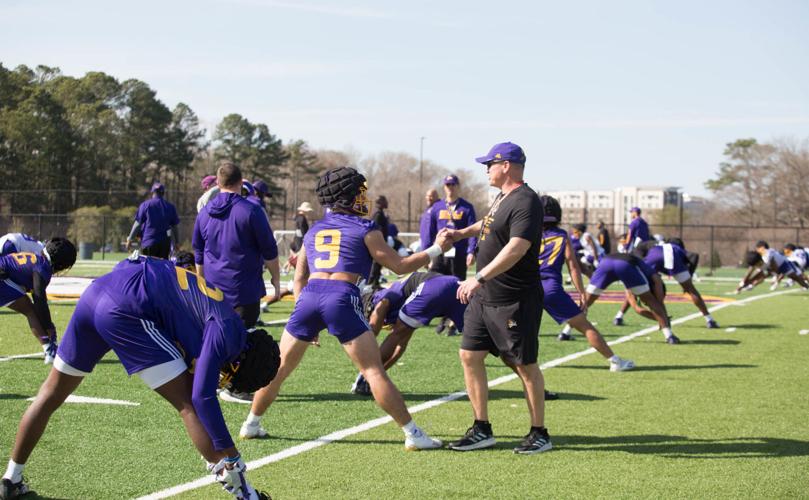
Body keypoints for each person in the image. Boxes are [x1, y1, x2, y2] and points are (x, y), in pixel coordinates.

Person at [0, 256, 279, 500]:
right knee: (188, 405)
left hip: (97, 292)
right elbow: (201, 396)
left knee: (50, 393)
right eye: (231, 375)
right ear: (243, 362)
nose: (224, 376)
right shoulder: (227, 332)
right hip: (126, 309)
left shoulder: (223, 315)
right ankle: (245, 494)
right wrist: (231, 453)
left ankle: (12, 478)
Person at [238, 166, 451, 451]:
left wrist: (305, 316)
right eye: (360, 192)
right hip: (341, 297)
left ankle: (251, 423)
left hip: (309, 297)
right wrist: (436, 248)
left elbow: (299, 277)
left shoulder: (314, 230)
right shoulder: (365, 228)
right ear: (347, 196)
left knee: (278, 368)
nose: (364, 198)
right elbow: (399, 266)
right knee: (373, 370)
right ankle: (413, 433)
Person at [441, 142, 551, 454]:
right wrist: (462, 233)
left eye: (490, 163)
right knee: (469, 355)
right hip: (485, 297)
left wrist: (479, 276)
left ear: (507, 165)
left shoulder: (527, 201)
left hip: (514, 298)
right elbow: (488, 225)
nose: (486, 169)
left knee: (524, 364)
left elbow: (517, 246)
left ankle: (539, 432)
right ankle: (481, 428)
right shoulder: (502, 197)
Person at [538, 197, 635, 371]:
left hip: (526, 287)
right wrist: (581, 292)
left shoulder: (524, 232)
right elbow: (573, 266)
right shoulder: (562, 235)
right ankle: (614, 361)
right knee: (585, 326)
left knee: (517, 330)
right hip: (550, 288)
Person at [193, 161, 281, 330]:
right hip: (244, 292)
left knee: (217, 343)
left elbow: (199, 252)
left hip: (213, 290)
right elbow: (269, 249)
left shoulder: (204, 213)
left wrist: (201, 282)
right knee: (244, 346)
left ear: (217, 184)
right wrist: (275, 278)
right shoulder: (252, 211)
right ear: (241, 182)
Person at [350, 271, 467, 395]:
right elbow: (400, 347)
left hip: (431, 286)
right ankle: (370, 378)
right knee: (476, 339)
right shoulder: (399, 300)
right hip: (453, 284)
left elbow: (377, 323)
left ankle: (366, 376)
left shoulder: (380, 299)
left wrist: (367, 371)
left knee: (396, 334)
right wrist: (378, 375)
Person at [0, 237, 76, 364]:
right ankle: (49, 349)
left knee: (29, 309)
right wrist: (49, 326)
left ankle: (48, 348)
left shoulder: (37, 260)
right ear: (61, 264)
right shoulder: (43, 268)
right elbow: (40, 300)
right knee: (30, 310)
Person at [583, 253, 681, 344]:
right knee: (650, 300)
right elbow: (657, 280)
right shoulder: (647, 274)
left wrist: (661, 318)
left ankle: (567, 331)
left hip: (605, 263)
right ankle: (669, 336)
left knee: (587, 300)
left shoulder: (635, 277)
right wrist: (662, 315)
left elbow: (638, 309)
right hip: (625, 265)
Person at [635, 240, 719, 328]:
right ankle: (709, 320)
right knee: (691, 290)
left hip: (653, 258)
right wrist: (689, 275)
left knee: (654, 291)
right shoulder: (676, 248)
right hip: (673, 259)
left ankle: (663, 320)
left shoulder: (654, 246)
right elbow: (694, 256)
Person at [431, 175, 477, 281]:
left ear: (458, 186)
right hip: (439, 252)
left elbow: (473, 231)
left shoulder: (467, 207)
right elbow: (431, 231)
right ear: (444, 187)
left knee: (457, 285)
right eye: (447, 184)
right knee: (434, 283)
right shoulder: (437, 206)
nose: (450, 187)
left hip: (459, 252)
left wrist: (471, 252)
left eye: (453, 184)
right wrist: (428, 253)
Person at [126, 182, 180, 259]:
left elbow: (137, 224)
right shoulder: (170, 207)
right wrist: (177, 242)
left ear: (152, 192)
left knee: (149, 269)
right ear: (163, 193)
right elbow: (175, 227)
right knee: (161, 269)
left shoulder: (145, 205)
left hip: (149, 243)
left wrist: (130, 239)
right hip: (164, 245)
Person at [367, 195, 390, 288]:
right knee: (376, 263)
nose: (387, 203)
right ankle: (370, 284)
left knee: (379, 263)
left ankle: (375, 283)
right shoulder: (378, 215)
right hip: (378, 245)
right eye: (385, 201)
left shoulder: (380, 213)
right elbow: (376, 230)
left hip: (381, 244)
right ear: (380, 202)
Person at [419, 188, 439, 253]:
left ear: (436, 197)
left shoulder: (439, 208)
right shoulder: (427, 210)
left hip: (433, 246)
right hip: (424, 244)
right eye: (427, 196)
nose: (428, 198)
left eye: (431, 196)